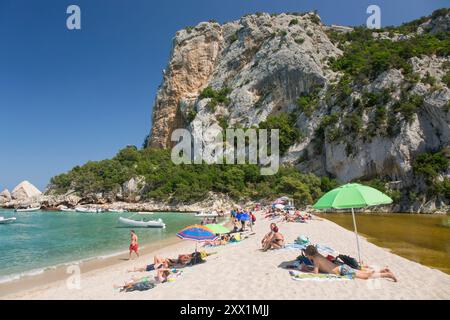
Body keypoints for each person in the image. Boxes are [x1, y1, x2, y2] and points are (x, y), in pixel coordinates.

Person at [302, 245, 397, 281]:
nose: (307, 257)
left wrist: (306, 269)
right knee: (365, 273)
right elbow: (321, 268)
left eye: (307, 255)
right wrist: (310, 268)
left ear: (310, 255)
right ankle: (383, 270)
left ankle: (387, 274)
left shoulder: (315, 260)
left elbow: (316, 273)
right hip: (342, 267)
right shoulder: (319, 256)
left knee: (366, 277)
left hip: (342, 270)